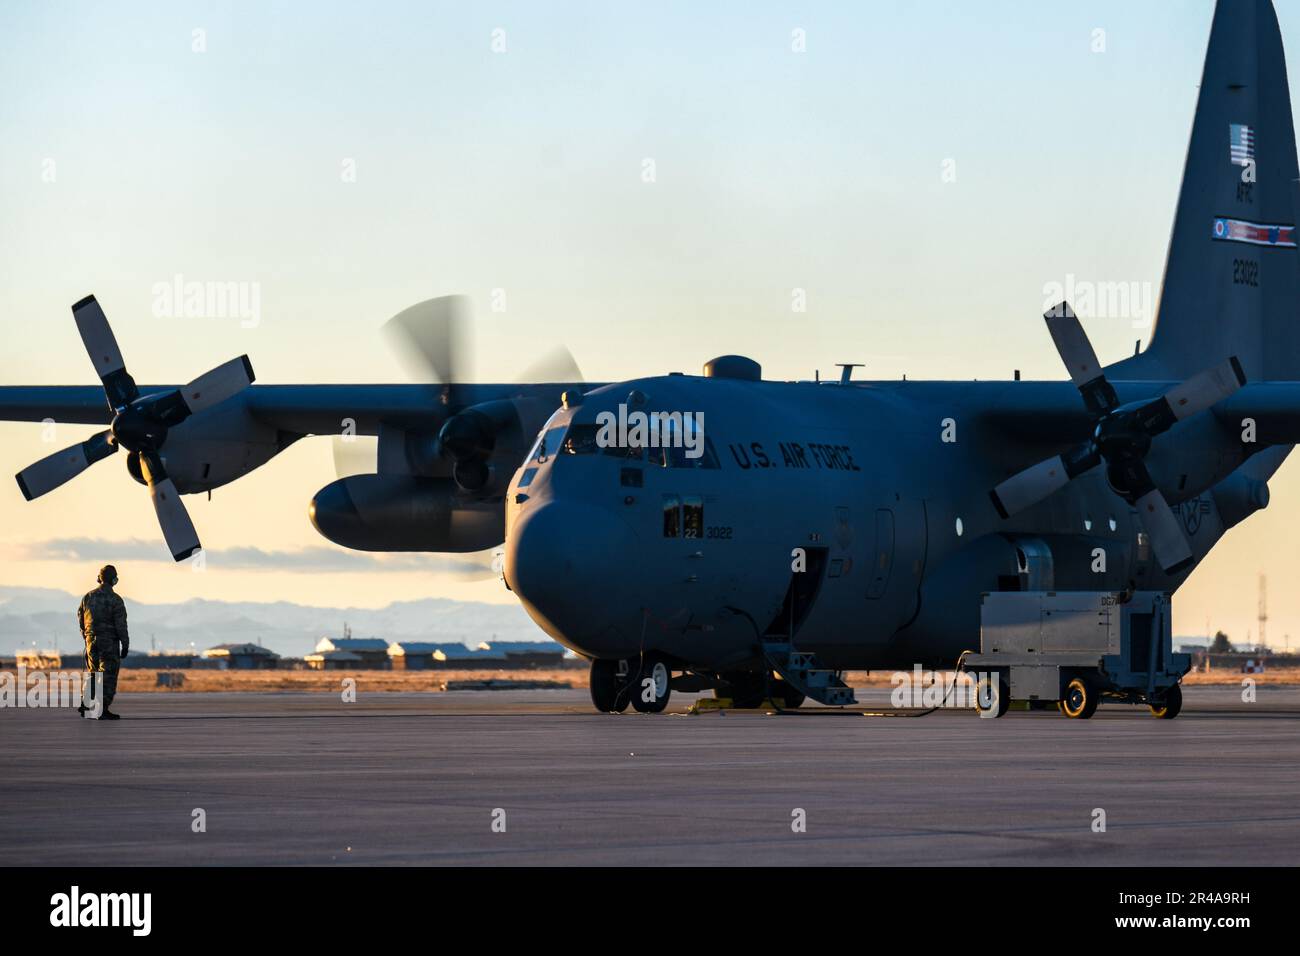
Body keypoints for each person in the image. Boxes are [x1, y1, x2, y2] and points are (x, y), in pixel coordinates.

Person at [78, 564, 129, 720]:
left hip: (91, 642)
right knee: (108, 676)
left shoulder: (88, 597)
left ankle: (86, 703)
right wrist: (125, 644)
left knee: (93, 673)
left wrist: (87, 638)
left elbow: (81, 620)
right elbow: (121, 625)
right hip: (108, 643)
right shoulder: (115, 600)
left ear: (99, 578)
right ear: (114, 580)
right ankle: (102, 709)